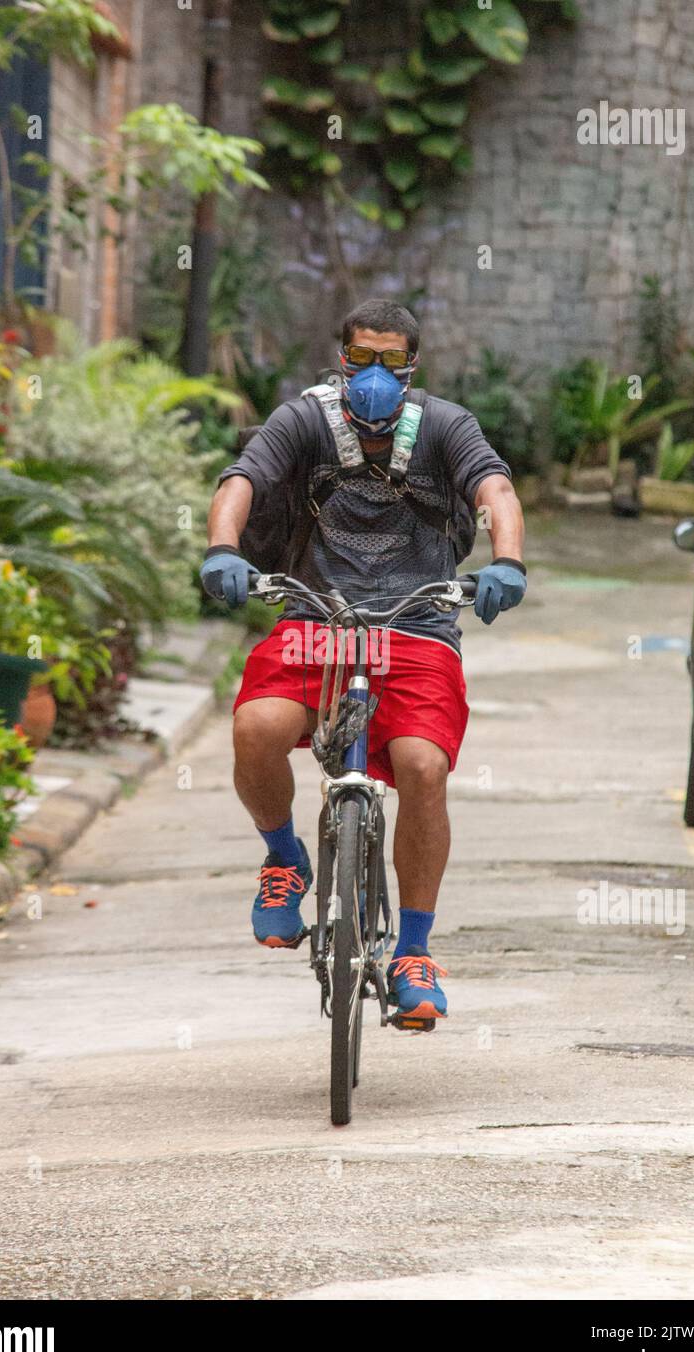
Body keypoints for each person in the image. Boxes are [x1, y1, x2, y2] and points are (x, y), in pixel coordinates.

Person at [201, 299, 526, 1023]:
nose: (373, 376)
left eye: (390, 362)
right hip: (315, 619)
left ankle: (413, 950)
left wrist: (508, 560)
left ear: (412, 368)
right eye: (360, 360)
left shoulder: (446, 425)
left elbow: (496, 490)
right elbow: (240, 481)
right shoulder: (304, 420)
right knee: (255, 729)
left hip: (417, 627)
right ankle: (284, 859)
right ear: (339, 358)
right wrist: (223, 548)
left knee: (422, 769)